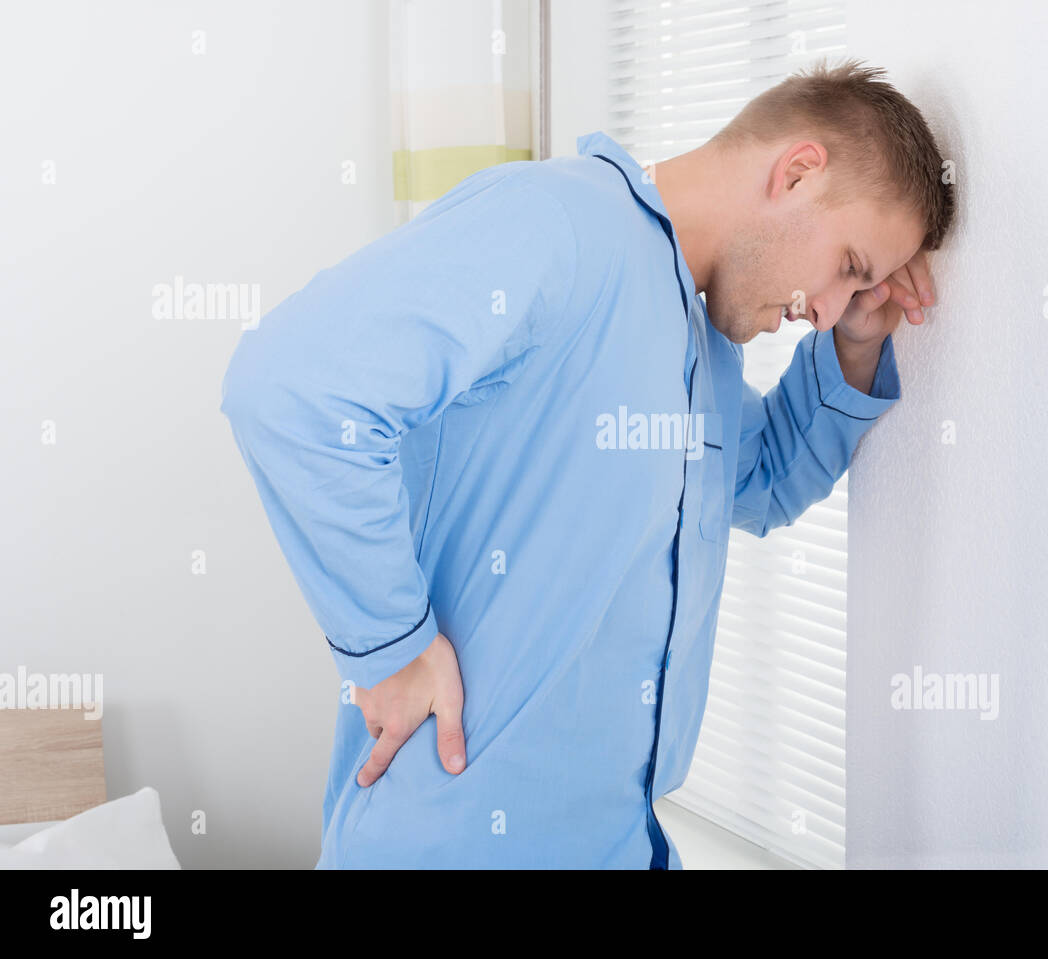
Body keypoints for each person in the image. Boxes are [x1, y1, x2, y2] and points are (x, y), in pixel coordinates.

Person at [219, 57, 954, 868]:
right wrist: (390, 646)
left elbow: (762, 481)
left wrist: (858, 343)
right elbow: (291, 387)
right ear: (799, 171)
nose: (824, 309)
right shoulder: (556, 225)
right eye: (849, 267)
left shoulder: (705, 343)